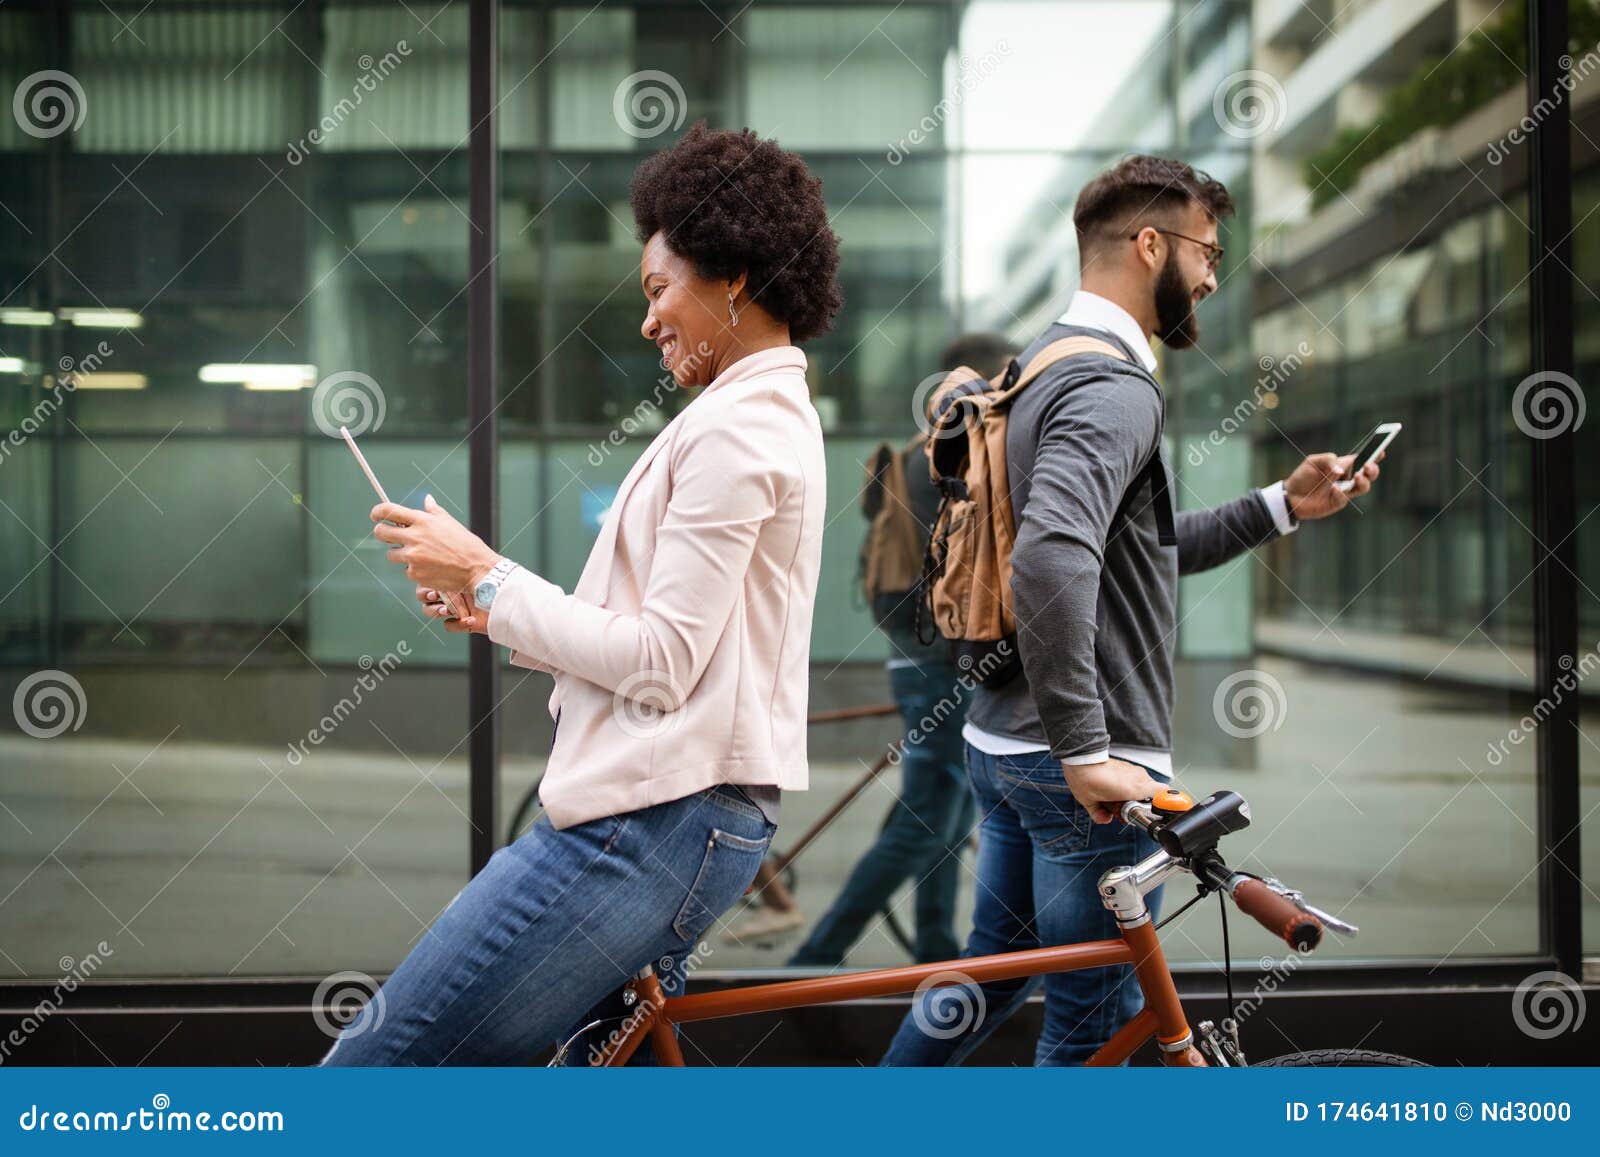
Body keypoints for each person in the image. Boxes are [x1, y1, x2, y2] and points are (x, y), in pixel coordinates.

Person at [321, 123, 842, 1066]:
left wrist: (488, 573)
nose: (647, 320)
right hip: (678, 818)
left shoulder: (738, 427)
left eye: (658, 288)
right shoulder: (756, 415)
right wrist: (487, 598)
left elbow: (660, 661)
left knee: (375, 1074)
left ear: (731, 273)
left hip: (648, 825)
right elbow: (665, 636)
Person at [882, 154, 1380, 1067]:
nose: (1213, 273)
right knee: (1088, 1035)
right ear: (1151, 244)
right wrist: (1084, 750)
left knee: (986, 979)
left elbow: (1133, 549)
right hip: (1080, 773)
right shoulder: (1115, 386)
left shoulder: (1040, 365)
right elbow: (1050, 553)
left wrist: (1283, 503)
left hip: (1005, 743)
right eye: (1206, 251)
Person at [786, 335, 1013, 966]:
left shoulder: (928, 453)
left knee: (944, 821)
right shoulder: (951, 458)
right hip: (938, 668)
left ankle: (937, 952)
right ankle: (813, 962)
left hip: (932, 665)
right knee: (922, 824)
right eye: (1007, 383)